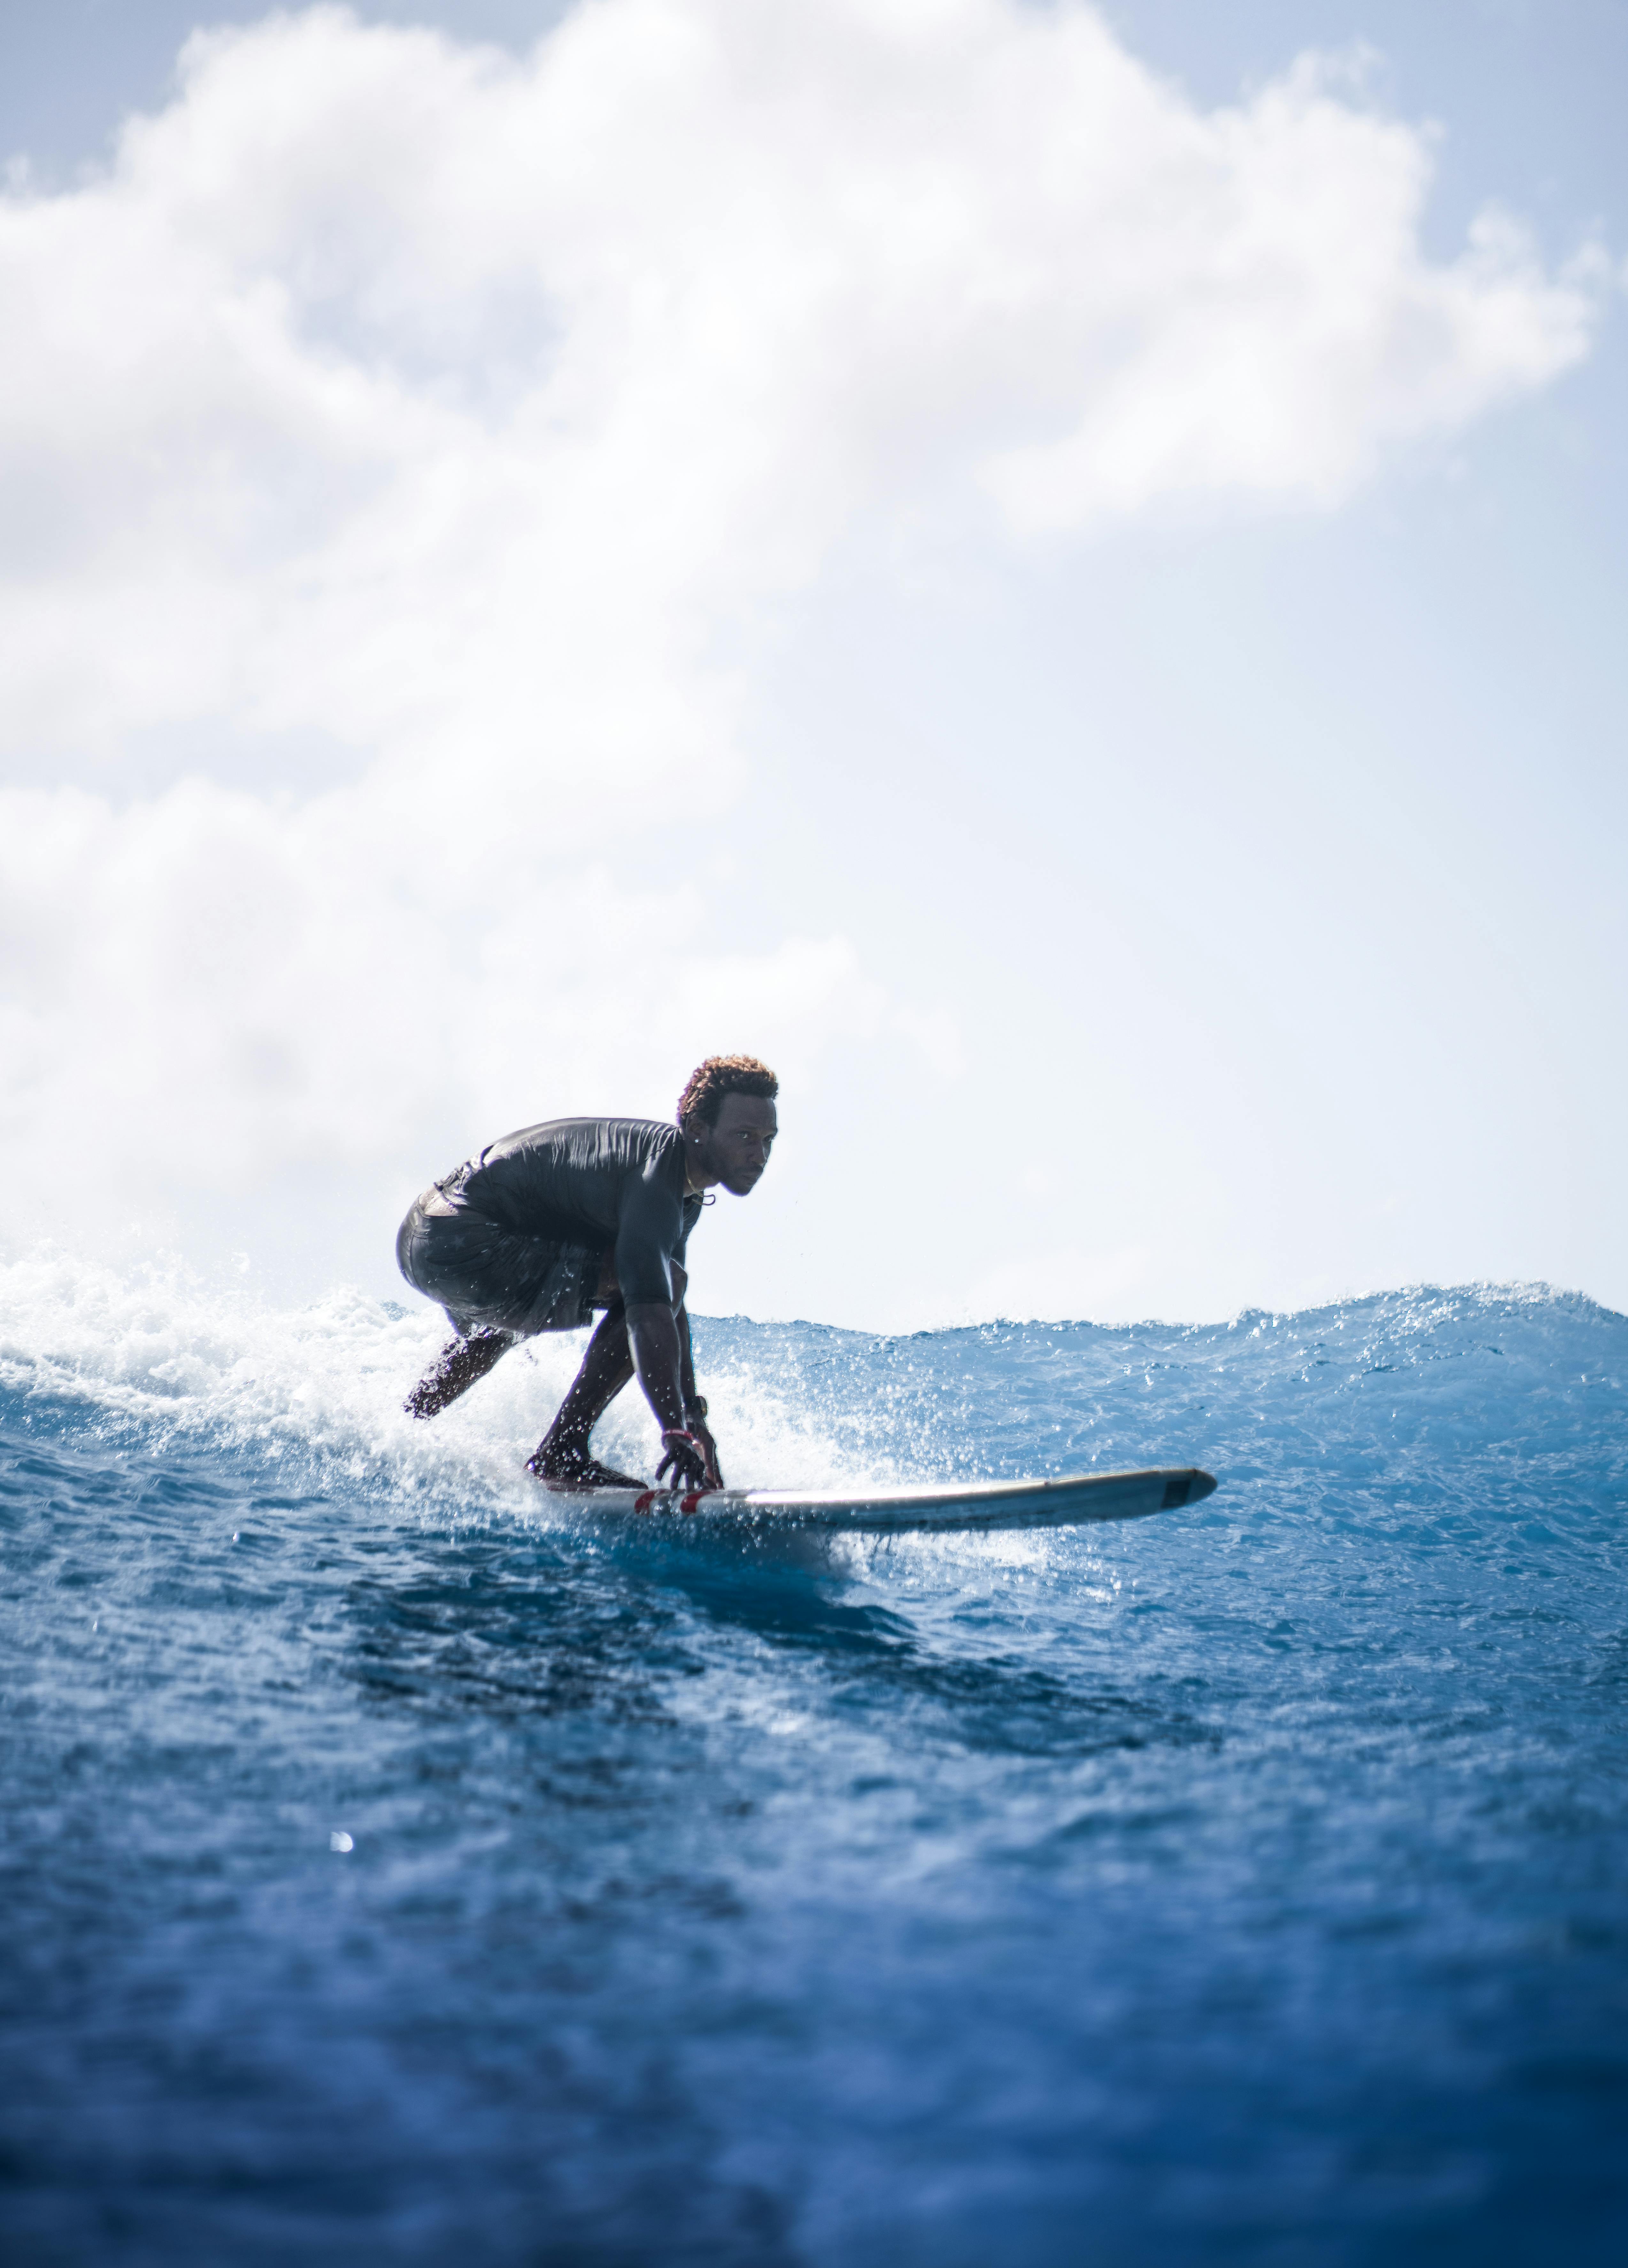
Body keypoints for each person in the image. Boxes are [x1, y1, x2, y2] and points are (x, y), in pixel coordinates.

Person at [396, 1055, 778, 1489]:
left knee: (499, 1330)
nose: (759, 1154)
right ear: (697, 1129)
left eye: (768, 1139)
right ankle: (562, 1450)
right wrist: (674, 1433)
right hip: (461, 1240)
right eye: (745, 1136)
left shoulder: (681, 1193)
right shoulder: (657, 1179)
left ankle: (400, 1430)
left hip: (427, 1235)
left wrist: (692, 1415)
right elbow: (650, 1308)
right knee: (651, 1289)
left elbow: (670, 1308)